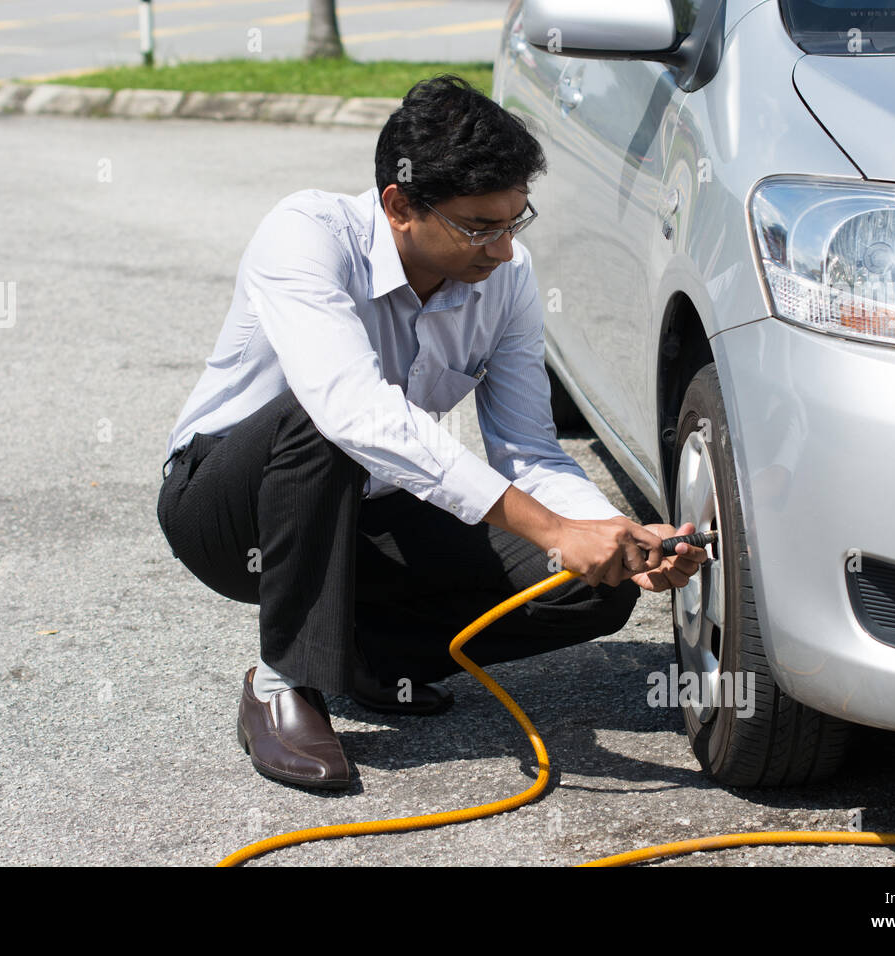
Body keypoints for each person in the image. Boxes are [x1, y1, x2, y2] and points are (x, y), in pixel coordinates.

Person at [157, 75, 707, 791]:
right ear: (400, 204)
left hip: (371, 513)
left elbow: (529, 450)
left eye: (516, 221)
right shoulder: (307, 235)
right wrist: (548, 526)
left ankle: (367, 654)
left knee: (591, 586)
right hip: (230, 510)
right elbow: (352, 411)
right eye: (481, 226)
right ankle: (284, 681)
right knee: (323, 421)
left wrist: (611, 534)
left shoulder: (506, 278)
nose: (504, 249)